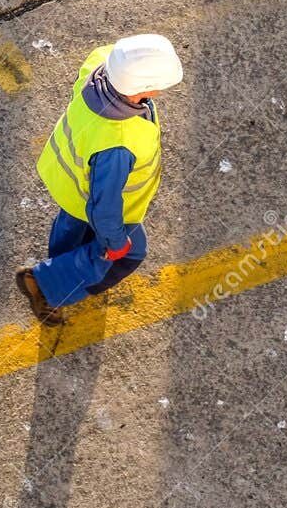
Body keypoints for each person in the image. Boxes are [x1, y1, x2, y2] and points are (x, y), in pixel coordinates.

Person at [16, 33, 183, 323]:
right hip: (92, 197)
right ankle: (49, 285)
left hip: (69, 181)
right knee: (129, 253)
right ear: (140, 90)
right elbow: (104, 209)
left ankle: (59, 265)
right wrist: (115, 242)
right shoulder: (118, 143)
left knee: (70, 231)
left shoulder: (99, 64)